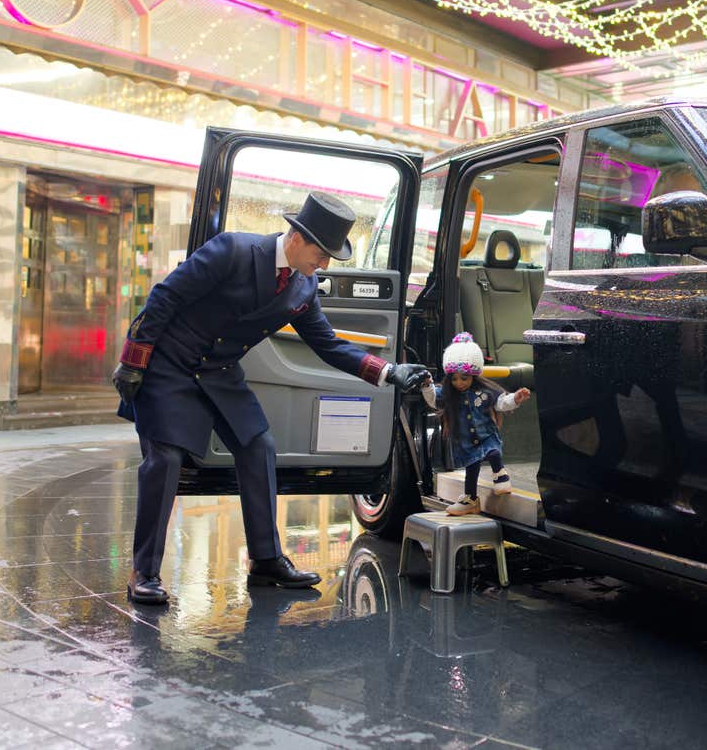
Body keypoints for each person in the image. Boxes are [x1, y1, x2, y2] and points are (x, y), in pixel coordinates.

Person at [111, 192, 430, 605]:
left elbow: (329, 345)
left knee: (259, 446)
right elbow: (164, 297)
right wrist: (134, 361)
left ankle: (266, 561)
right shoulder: (233, 250)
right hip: (170, 365)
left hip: (219, 372)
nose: (325, 264)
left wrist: (389, 372)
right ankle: (145, 572)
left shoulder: (303, 286)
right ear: (297, 237)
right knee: (165, 458)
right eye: (322, 253)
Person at [420, 333, 530, 516]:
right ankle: (470, 499)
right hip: (466, 442)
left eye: (464, 378)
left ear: (473, 375)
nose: (459, 383)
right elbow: (433, 400)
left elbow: (502, 402)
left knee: (493, 452)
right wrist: (427, 385)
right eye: (454, 379)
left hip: (486, 435)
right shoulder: (448, 394)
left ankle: (500, 475)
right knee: (472, 469)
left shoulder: (485, 392)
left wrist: (516, 398)